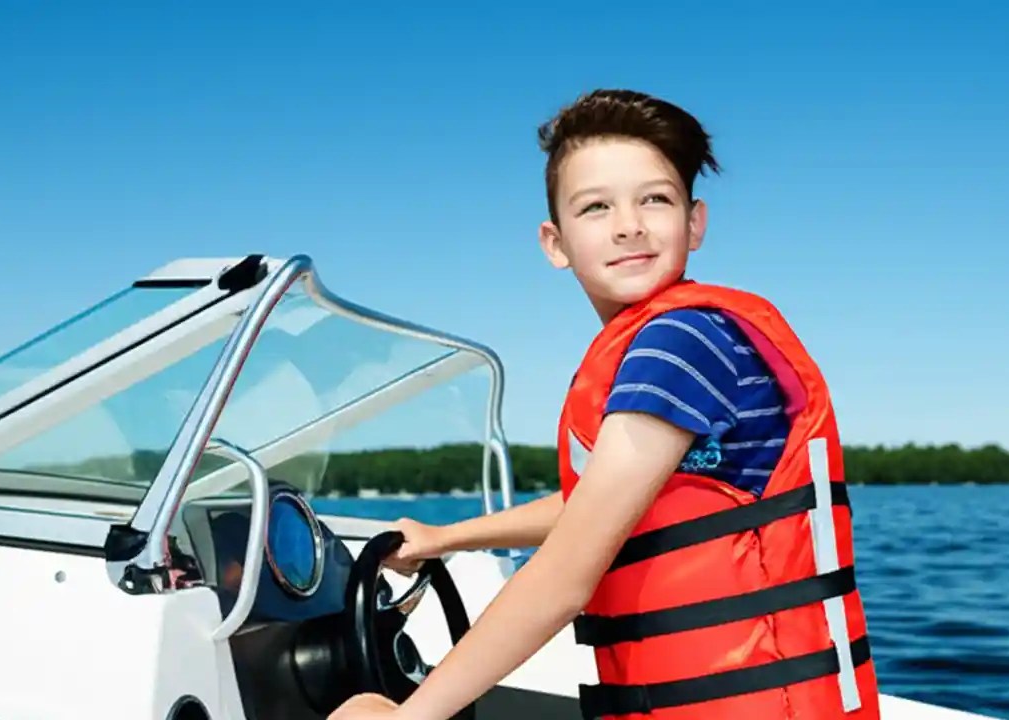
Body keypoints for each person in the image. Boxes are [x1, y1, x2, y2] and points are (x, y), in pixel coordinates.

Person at [329, 88, 880, 720]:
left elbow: (566, 577)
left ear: (694, 222)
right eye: (596, 207)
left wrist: (411, 716)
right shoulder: (672, 341)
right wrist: (450, 536)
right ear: (555, 241)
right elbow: (605, 505)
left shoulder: (681, 345)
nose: (628, 225)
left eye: (655, 199)